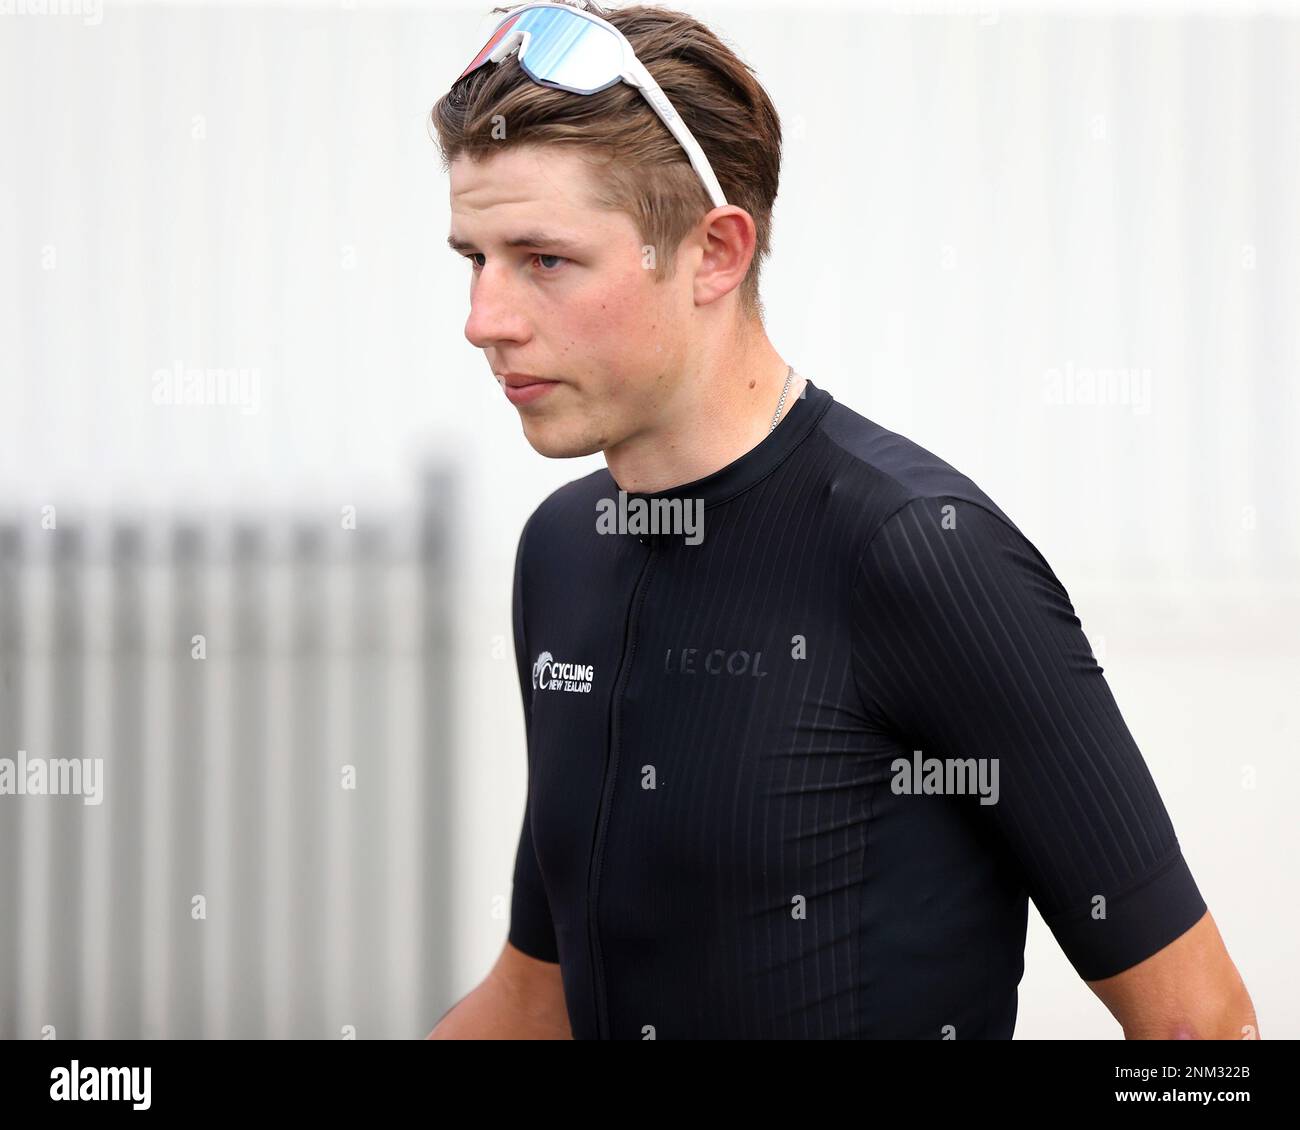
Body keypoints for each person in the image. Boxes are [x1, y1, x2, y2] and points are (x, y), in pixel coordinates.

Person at [425, 1, 1256, 1039]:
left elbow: (1202, 1030)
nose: (483, 320)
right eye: (475, 258)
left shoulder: (918, 553)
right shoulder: (561, 552)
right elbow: (538, 993)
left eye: (543, 259)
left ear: (714, 253)